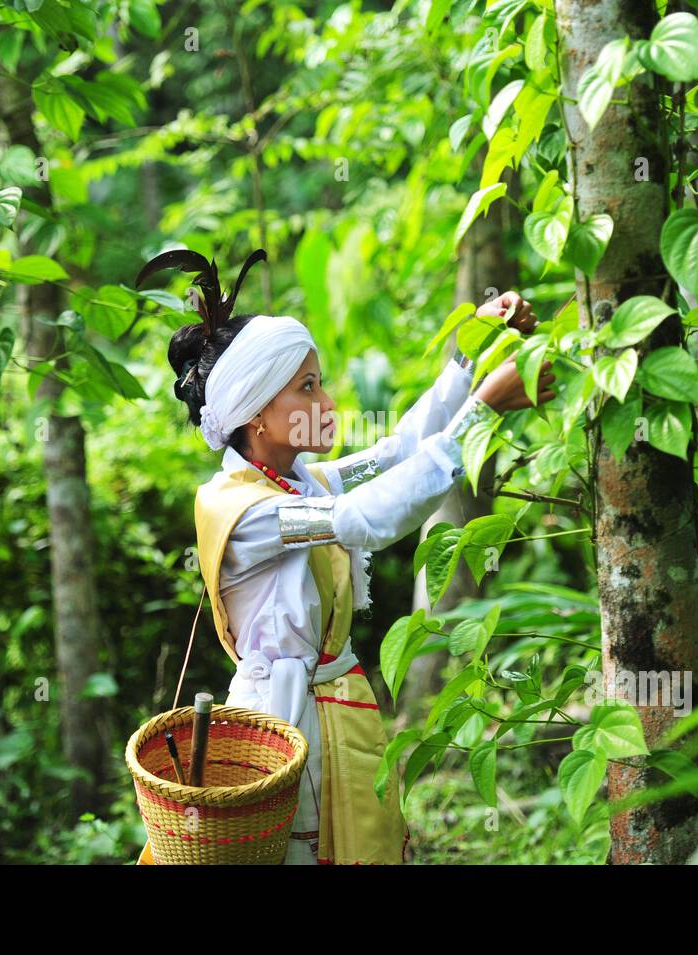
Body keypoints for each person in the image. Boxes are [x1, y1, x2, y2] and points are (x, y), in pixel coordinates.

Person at [134, 249, 555, 864]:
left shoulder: (302, 484)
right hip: (280, 724)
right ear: (256, 416)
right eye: (308, 387)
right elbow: (364, 520)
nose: (326, 402)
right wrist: (484, 410)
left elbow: (399, 448)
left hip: (335, 709)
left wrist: (470, 354)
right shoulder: (246, 511)